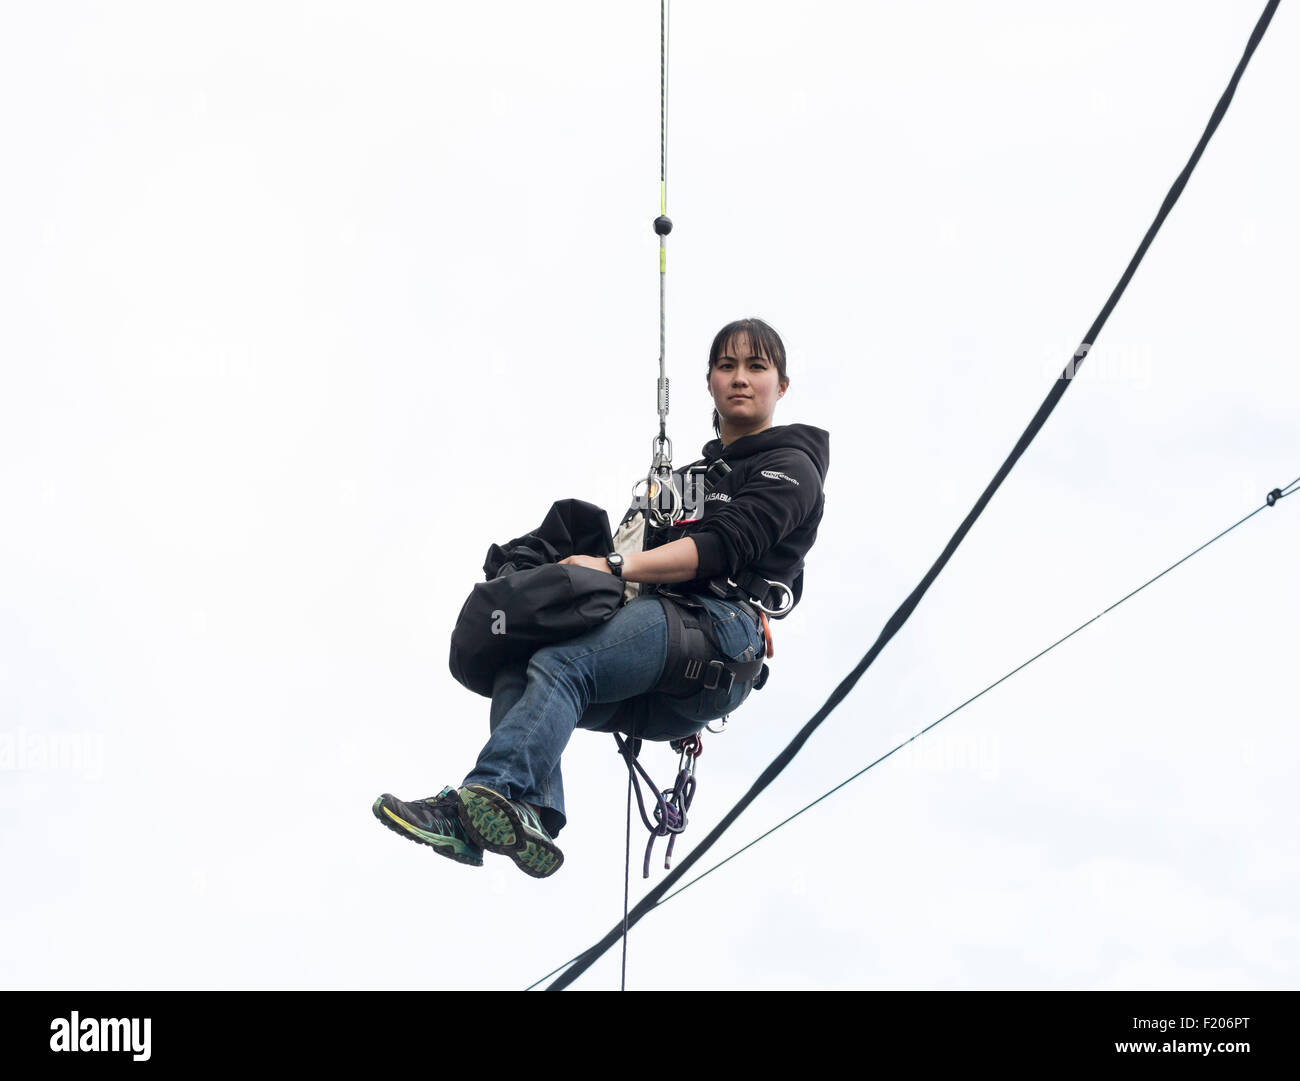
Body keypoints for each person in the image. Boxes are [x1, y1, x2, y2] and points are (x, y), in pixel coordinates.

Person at [373, 318, 830, 877]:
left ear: (781, 386)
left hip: (719, 633)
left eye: (756, 367)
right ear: (708, 381)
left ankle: (481, 797)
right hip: (664, 667)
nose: (740, 378)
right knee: (520, 663)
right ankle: (531, 812)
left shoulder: (791, 465)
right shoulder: (684, 480)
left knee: (564, 666)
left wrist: (613, 564)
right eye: (727, 366)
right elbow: (635, 559)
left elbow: (719, 546)